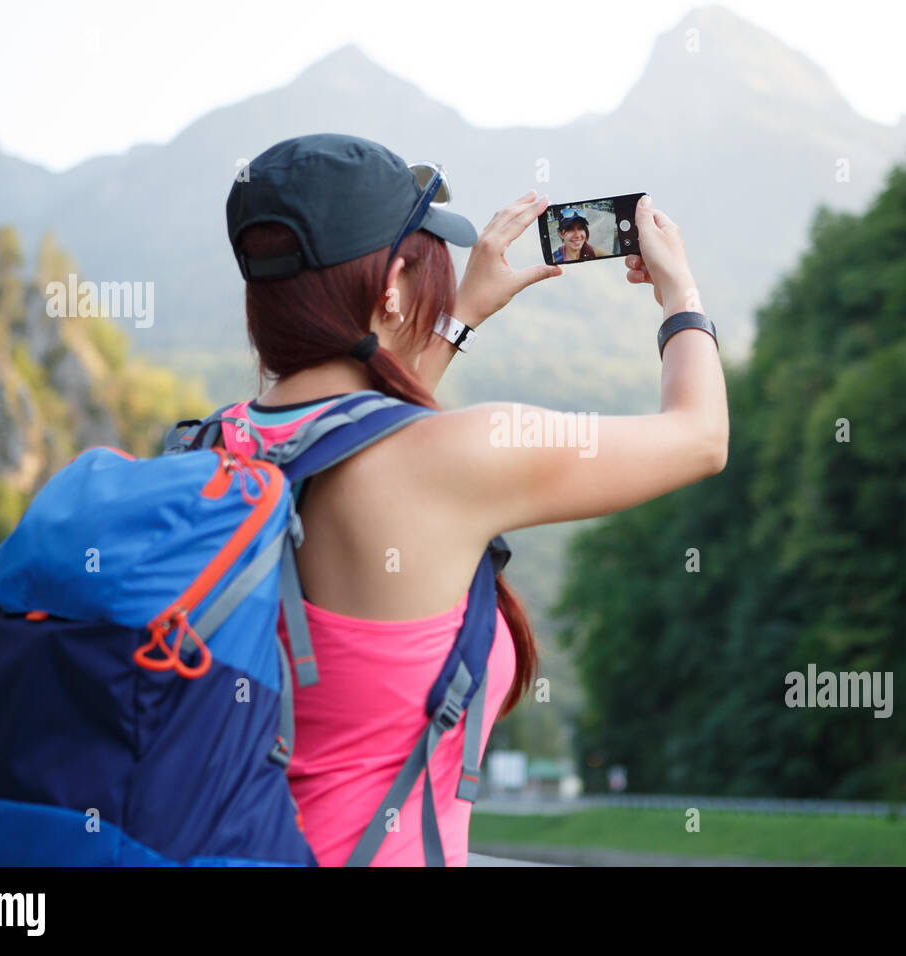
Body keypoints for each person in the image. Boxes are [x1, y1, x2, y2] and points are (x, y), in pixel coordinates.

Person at [222, 133, 727, 866]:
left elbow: (359, 428)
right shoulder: (463, 456)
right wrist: (683, 296)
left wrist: (458, 320)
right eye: (430, 259)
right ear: (392, 285)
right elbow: (700, 436)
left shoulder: (210, 451)